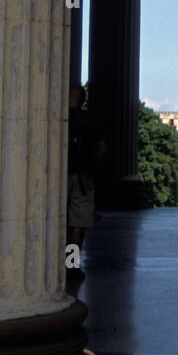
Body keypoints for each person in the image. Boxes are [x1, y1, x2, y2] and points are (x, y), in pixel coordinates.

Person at [67, 84, 100, 255]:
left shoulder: (57, 118)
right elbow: (102, 146)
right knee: (78, 224)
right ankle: (71, 264)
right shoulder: (90, 120)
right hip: (83, 177)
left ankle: (57, 263)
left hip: (59, 175)